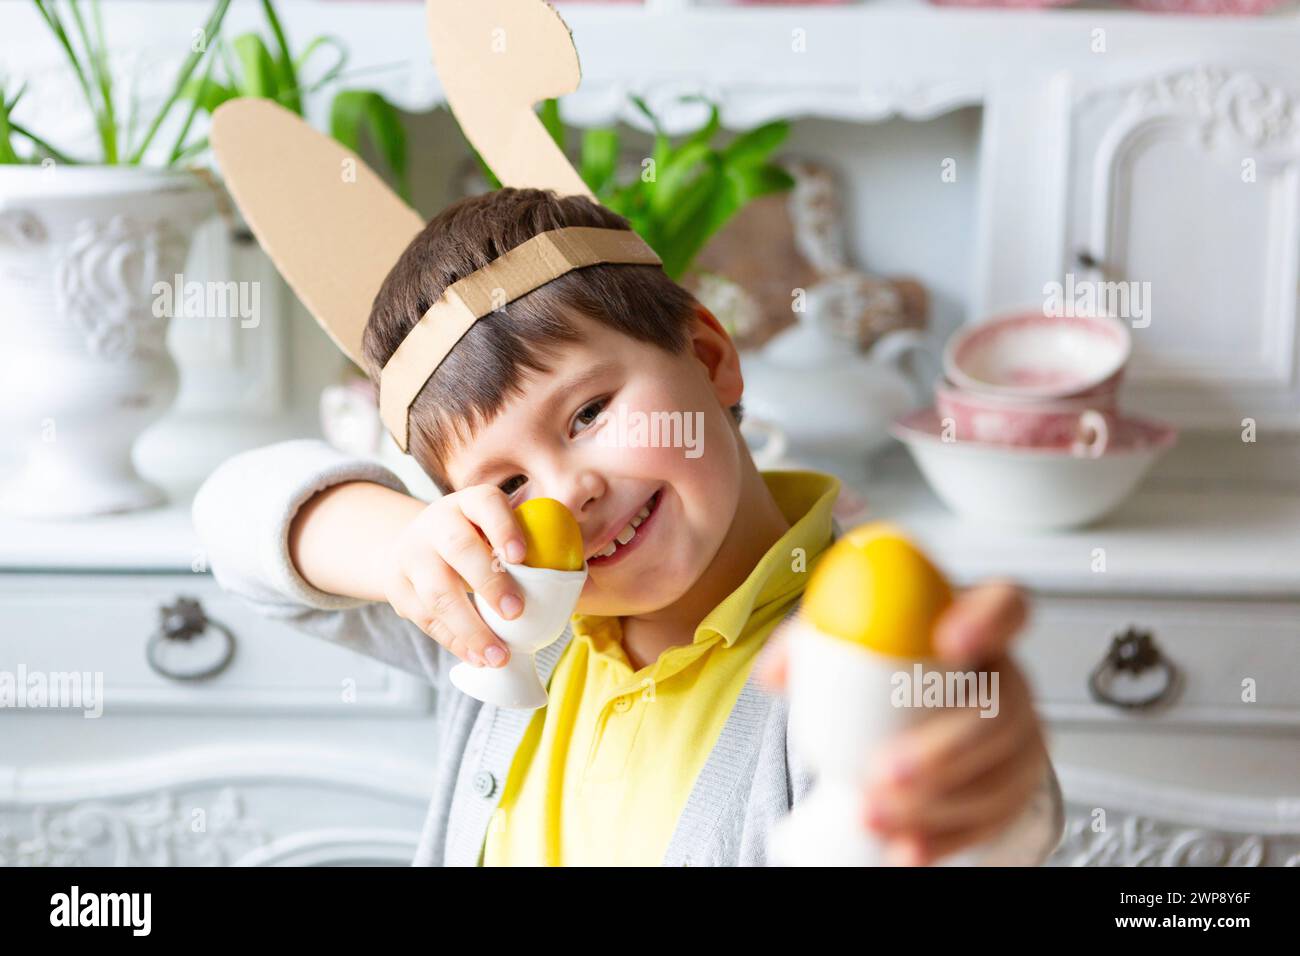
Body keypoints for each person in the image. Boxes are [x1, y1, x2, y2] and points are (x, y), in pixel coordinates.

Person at [193, 186, 1064, 866]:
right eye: (507, 480)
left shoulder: (845, 654)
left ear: (712, 358)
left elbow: (967, 812)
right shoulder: (512, 624)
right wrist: (402, 550)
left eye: (589, 413)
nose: (569, 492)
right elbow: (230, 514)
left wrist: (986, 773)